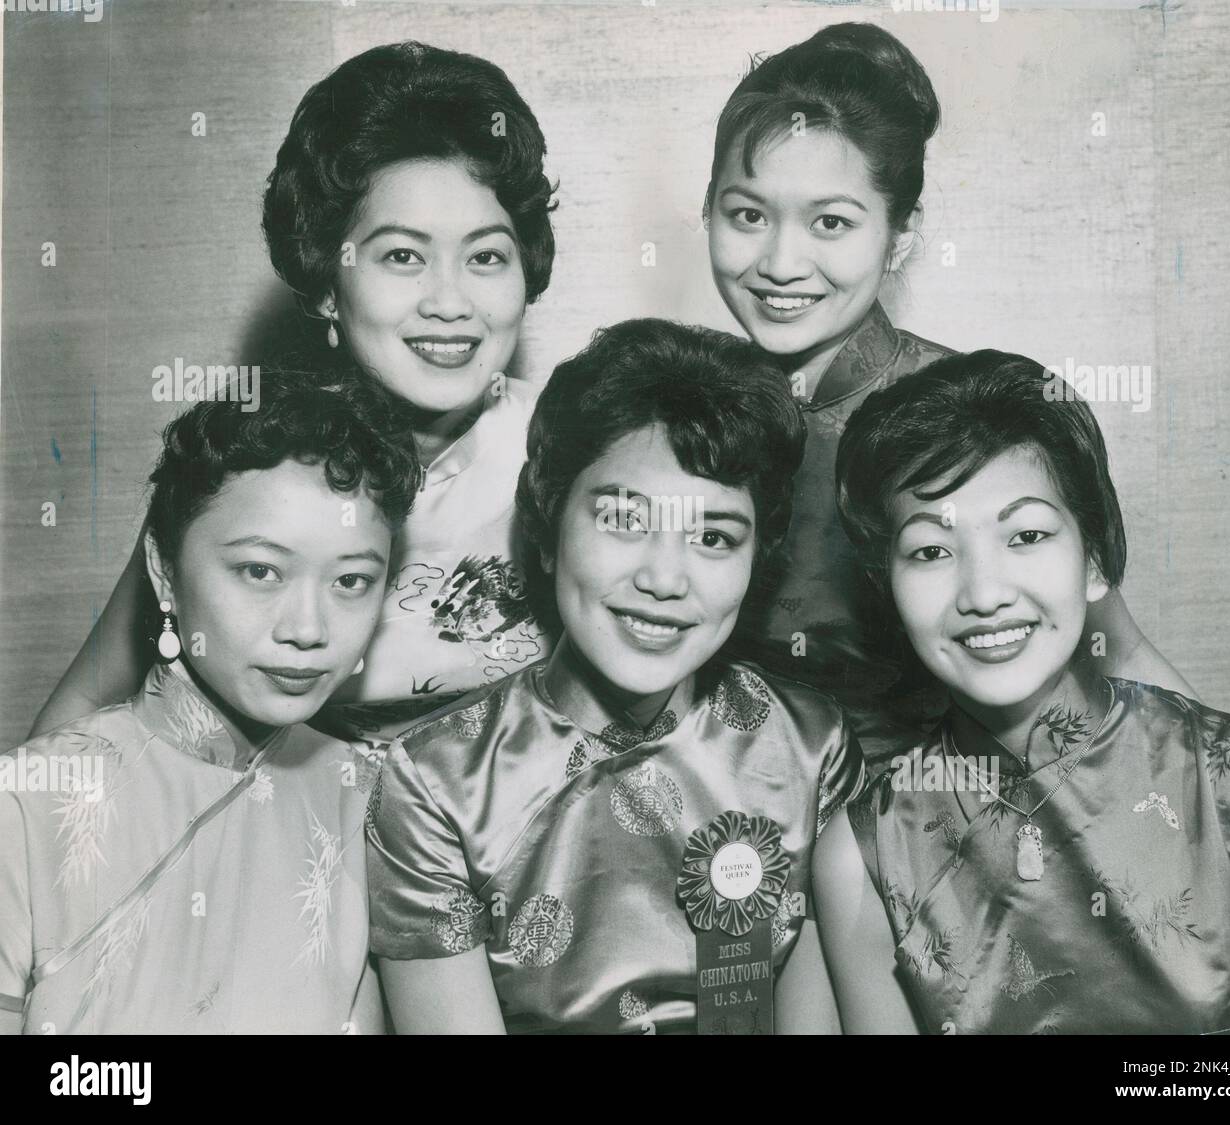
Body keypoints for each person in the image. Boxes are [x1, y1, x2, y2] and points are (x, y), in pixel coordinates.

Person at [31, 41, 557, 747]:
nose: (449, 301)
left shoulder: (575, 446)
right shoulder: (252, 458)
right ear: (327, 285)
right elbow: (89, 702)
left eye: (486, 256)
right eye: (402, 256)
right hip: (306, 838)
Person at [703, 21, 1195, 758]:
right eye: (748, 215)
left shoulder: (980, 417)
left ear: (901, 235)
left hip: (945, 829)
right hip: (733, 832)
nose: (780, 262)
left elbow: (1117, 653)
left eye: (831, 222)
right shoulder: (673, 413)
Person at [366, 319, 866, 1033]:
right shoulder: (435, 784)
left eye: (714, 536)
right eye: (624, 520)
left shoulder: (810, 749)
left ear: (760, 558)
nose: (664, 578)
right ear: (546, 525)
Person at [824, 350, 1230, 1034]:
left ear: (1095, 558)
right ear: (886, 586)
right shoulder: (867, 854)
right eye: (931, 550)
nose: (983, 593)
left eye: (1026, 534)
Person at [0, 367, 422, 1033]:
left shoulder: (374, 804)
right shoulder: (25, 801)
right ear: (164, 571)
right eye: (260, 570)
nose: (307, 628)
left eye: (351, 580)